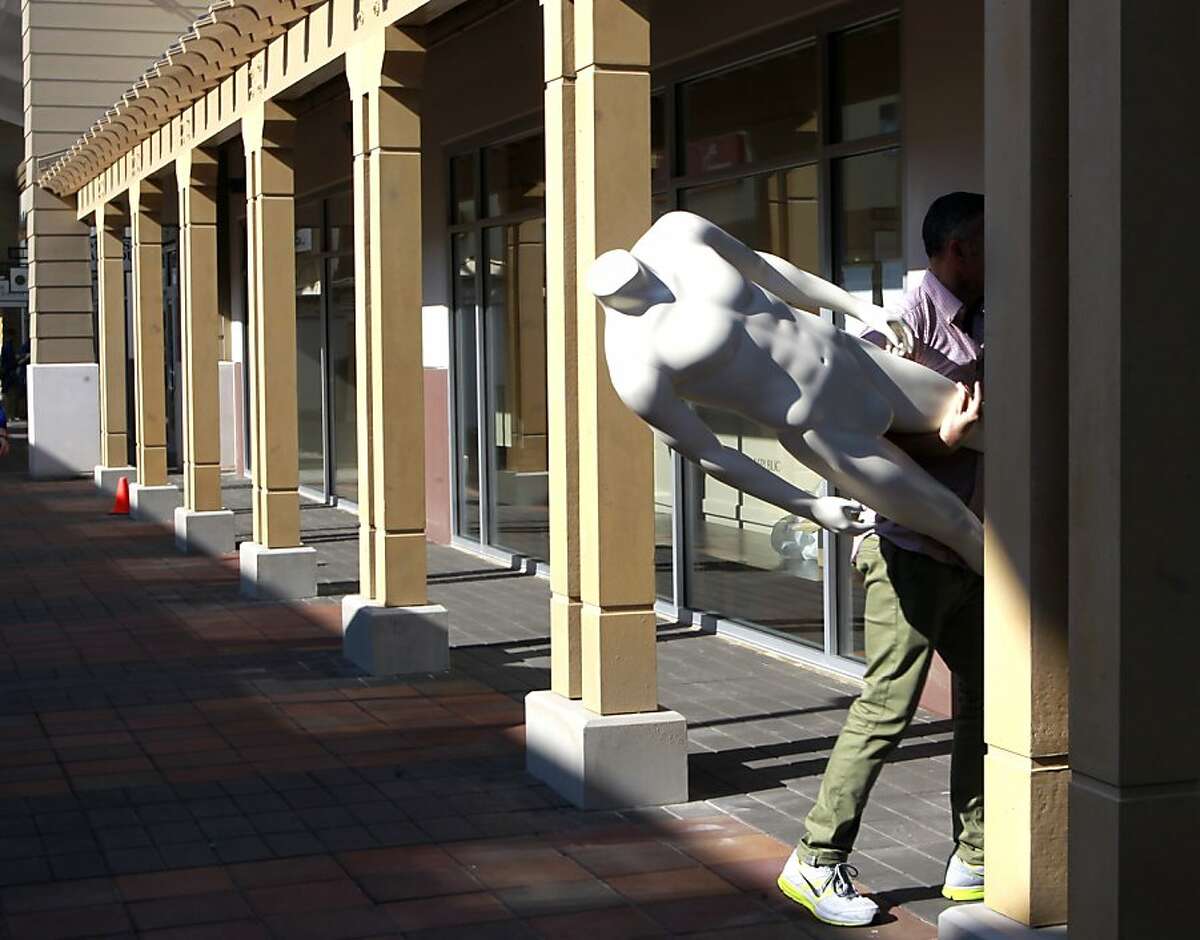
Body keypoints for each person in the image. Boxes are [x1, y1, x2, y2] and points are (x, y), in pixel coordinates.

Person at [774, 192, 987, 927]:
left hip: (972, 550)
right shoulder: (904, 327)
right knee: (888, 707)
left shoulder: (992, 315)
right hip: (909, 551)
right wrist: (946, 441)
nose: (1001, 260)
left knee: (991, 697)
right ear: (957, 249)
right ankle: (816, 859)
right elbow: (863, 444)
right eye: (989, 245)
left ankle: (976, 853)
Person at [590, 210, 984, 574]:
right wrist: (810, 507)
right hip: (824, 429)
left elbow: (769, 270)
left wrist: (861, 309)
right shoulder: (633, 364)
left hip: (856, 361)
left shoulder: (677, 232)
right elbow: (711, 454)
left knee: (986, 424)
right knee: (957, 524)